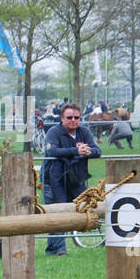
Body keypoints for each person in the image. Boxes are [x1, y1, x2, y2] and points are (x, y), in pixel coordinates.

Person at [42, 104, 101, 256]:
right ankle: (58, 250)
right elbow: (52, 150)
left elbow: (97, 150)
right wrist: (76, 151)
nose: (73, 120)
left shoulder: (84, 132)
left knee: (90, 206)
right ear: (62, 119)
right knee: (58, 215)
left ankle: (104, 239)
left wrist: (87, 151)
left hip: (75, 179)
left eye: (76, 117)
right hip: (54, 180)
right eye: (69, 117)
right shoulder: (53, 132)